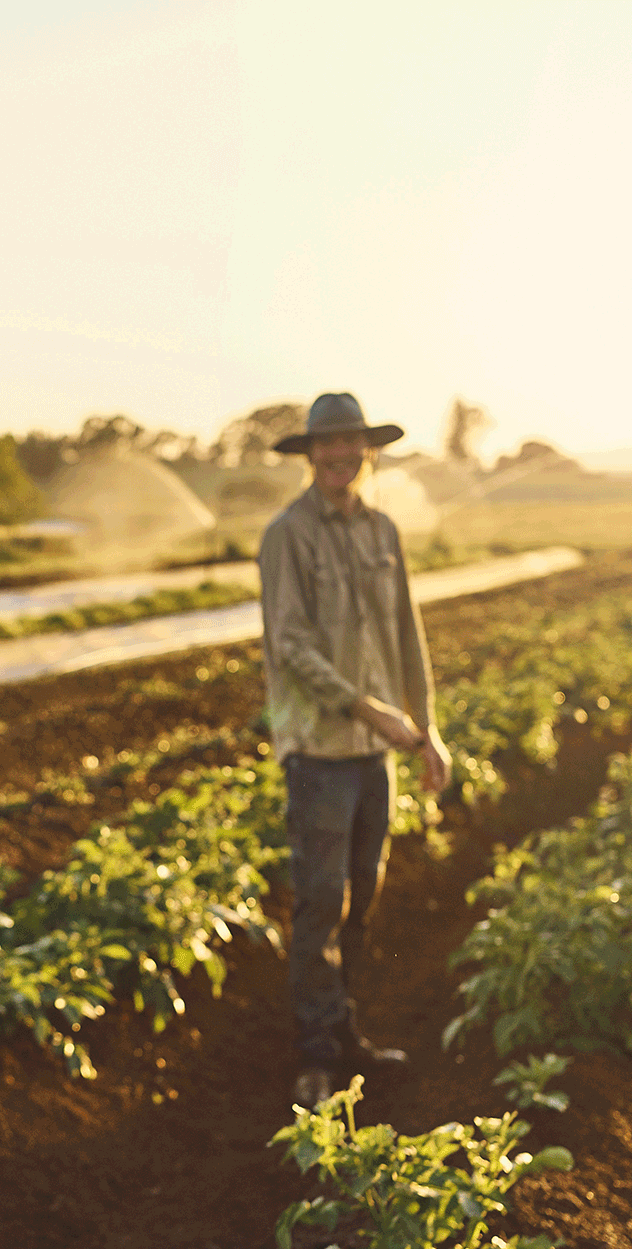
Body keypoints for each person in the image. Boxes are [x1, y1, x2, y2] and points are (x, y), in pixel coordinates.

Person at [257, 392, 451, 1107]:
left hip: (377, 756)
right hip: (320, 751)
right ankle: (312, 1056)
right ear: (310, 454)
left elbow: (406, 636)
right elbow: (291, 645)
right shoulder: (288, 535)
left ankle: (344, 1033)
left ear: (369, 450)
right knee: (319, 903)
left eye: (351, 444)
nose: (339, 455)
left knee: (361, 900)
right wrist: (370, 711)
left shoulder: (382, 533)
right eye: (326, 444)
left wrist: (425, 730)